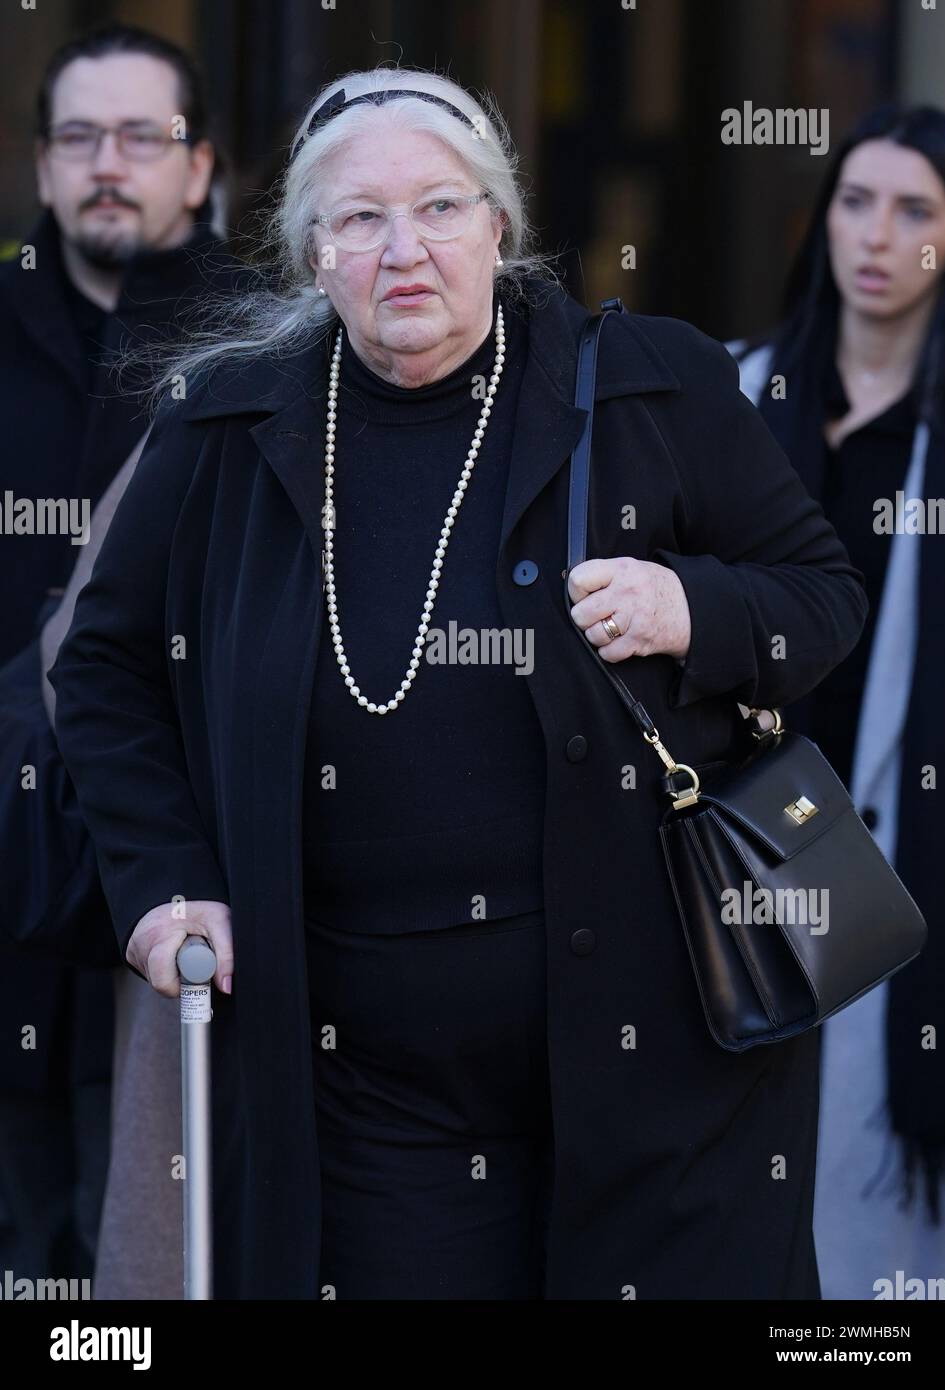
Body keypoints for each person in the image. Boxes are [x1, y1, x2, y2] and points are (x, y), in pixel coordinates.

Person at [50, 66, 868, 1301]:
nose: (403, 251)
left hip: (660, 1046)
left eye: (439, 207)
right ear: (311, 251)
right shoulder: (225, 424)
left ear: (499, 223)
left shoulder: (655, 380)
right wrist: (166, 880)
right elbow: (104, 667)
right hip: (368, 1080)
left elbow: (822, 596)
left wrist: (690, 606)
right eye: (359, 219)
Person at [0, 22, 242, 1296]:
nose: (110, 165)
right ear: (42, 168)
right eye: (81, 138)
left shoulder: (265, 352)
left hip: (179, 855)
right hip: (8, 833)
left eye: (142, 138)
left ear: (198, 168)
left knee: (155, 1209)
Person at [728, 104, 945, 1299]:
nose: (877, 236)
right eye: (855, 202)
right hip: (740, 858)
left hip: (912, 872)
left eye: (916, 208)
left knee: (878, 1248)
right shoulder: (734, 401)